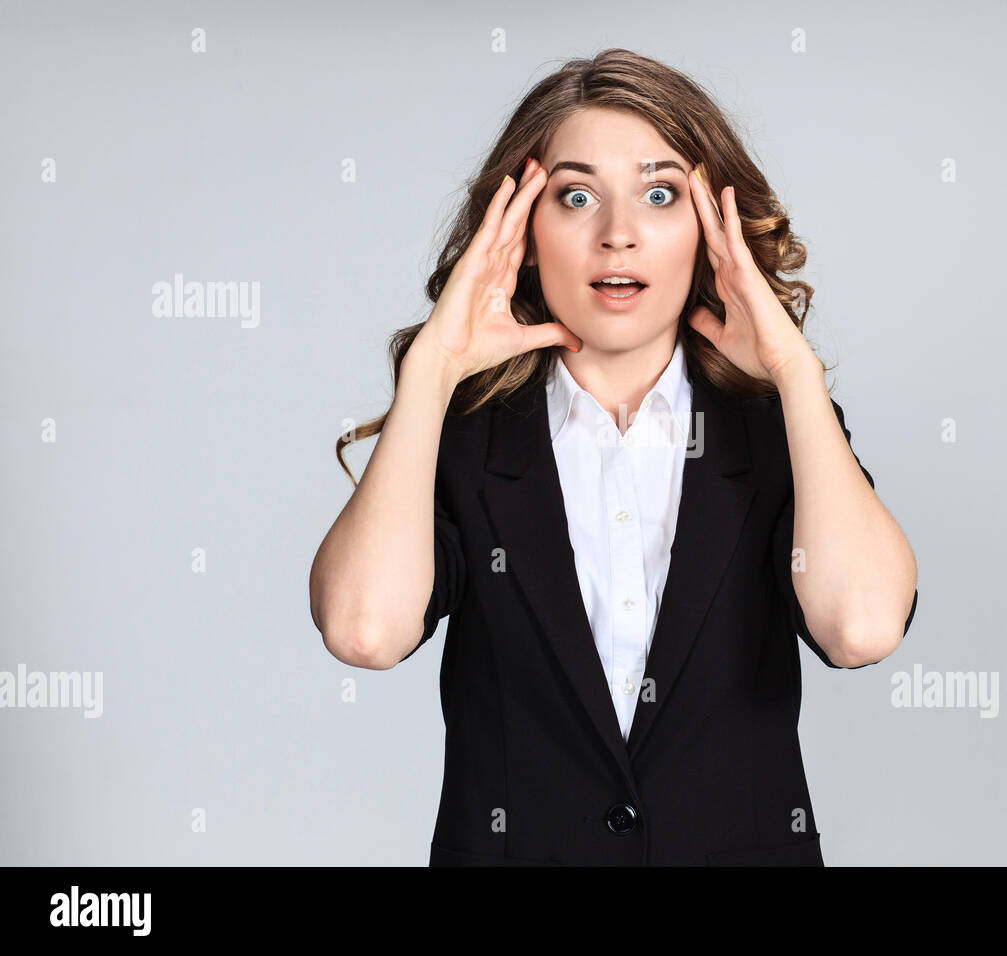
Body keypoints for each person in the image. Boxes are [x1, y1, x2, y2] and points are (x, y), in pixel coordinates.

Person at [309, 49, 918, 866]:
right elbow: (363, 630)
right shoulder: (461, 433)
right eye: (577, 195)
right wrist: (431, 371)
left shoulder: (778, 428)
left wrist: (794, 375)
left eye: (661, 194)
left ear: (710, 231)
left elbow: (862, 628)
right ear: (521, 234)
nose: (618, 234)